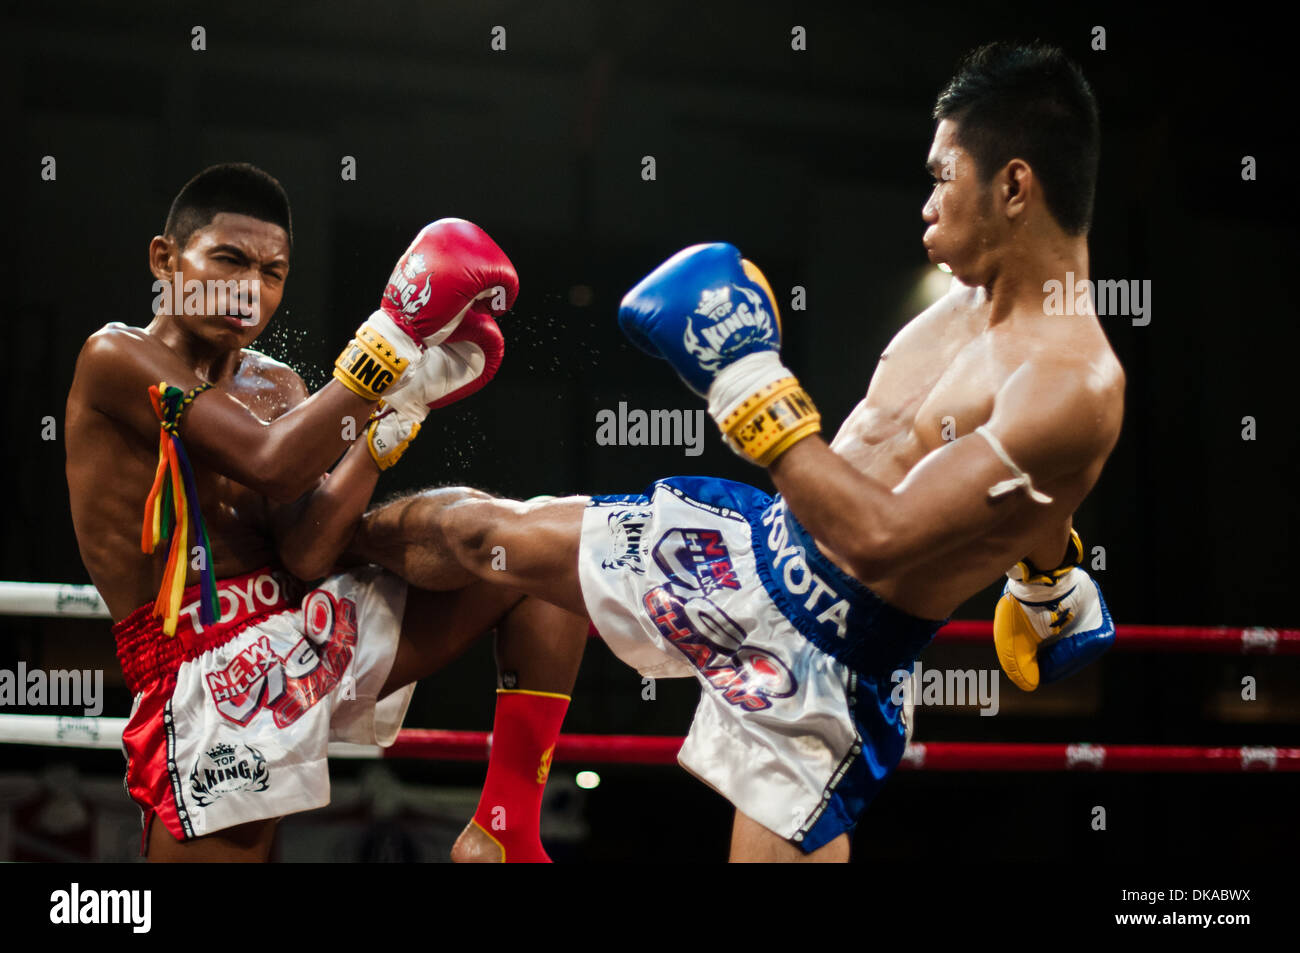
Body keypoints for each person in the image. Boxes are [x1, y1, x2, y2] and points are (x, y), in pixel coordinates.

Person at [349, 41, 1122, 862]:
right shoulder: (967, 305)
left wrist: (745, 380)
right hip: (753, 547)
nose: (926, 202)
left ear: (1013, 185)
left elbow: (883, 536)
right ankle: (320, 551)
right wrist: (1050, 577)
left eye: (942, 175)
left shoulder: (1073, 385)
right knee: (482, 533)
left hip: (834, 658)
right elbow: (1040, 490)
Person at [64, 163, 586, 862]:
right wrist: (389, 342)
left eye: (272, 271)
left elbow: (308, 550)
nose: (250, 287)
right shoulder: (116, 357)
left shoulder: (279, 385)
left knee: (535, 553)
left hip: (303, 626)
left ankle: (503, 828)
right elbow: (271, 460)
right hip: (199, 663)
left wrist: (389, 420)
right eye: (228, 259)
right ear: (165, 259)